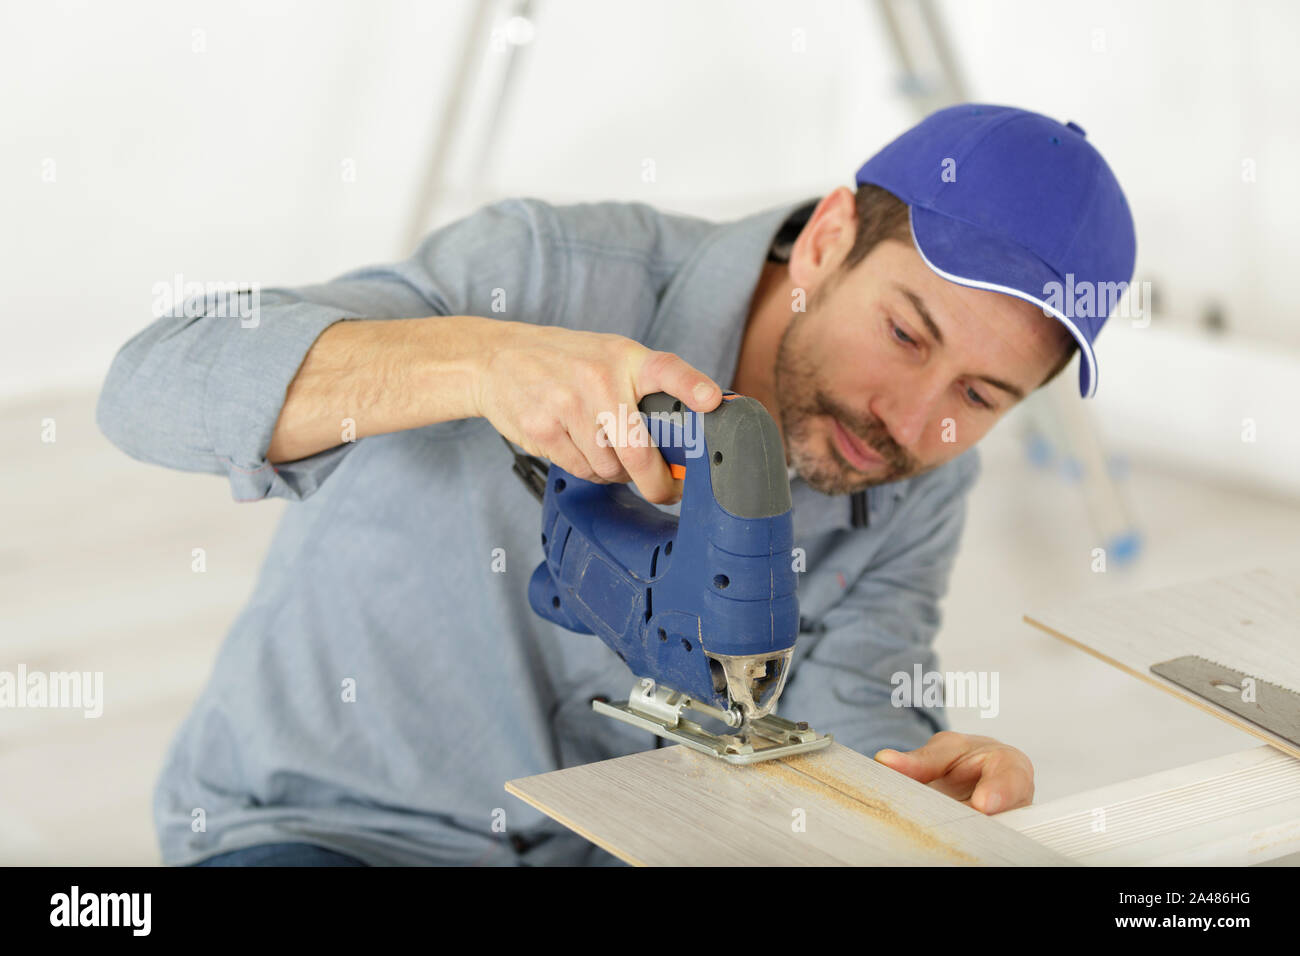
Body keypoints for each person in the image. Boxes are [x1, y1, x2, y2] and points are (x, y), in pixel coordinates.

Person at [97, 103, 1136, 866]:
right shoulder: (544, 271)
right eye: (905, 332)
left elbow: (847, 698)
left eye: (983, 391)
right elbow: (147, 383)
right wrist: (476, 361)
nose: (911, 420)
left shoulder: (918, 474)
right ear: (826, 240)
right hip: (330, 828)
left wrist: (912, 783)